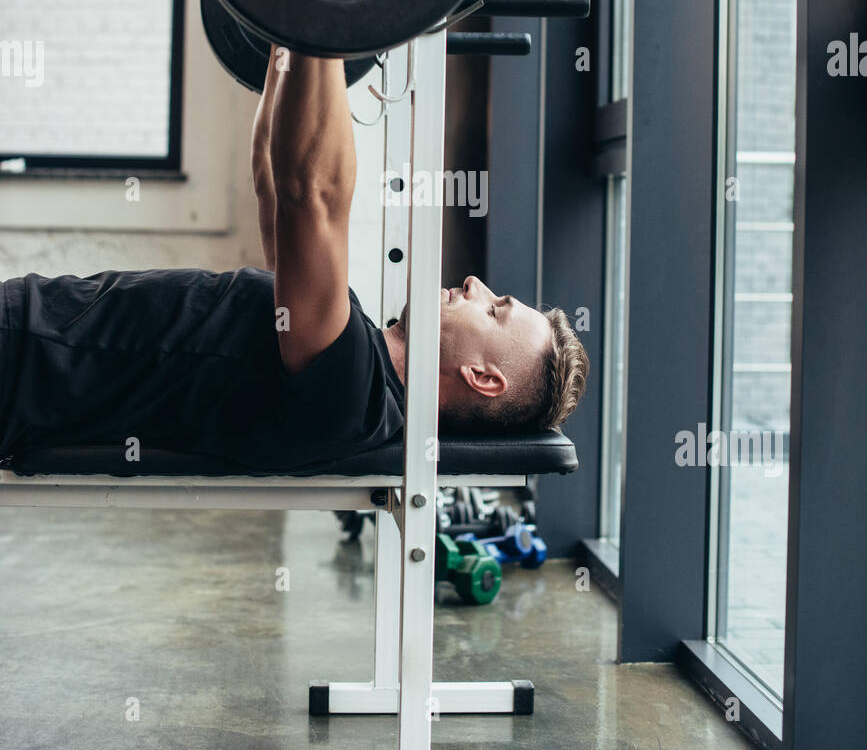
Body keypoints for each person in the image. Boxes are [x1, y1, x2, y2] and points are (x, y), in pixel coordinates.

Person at [0, 52, 588, 473]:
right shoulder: (346, 340)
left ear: (484, 379)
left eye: (495, 308)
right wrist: (284, 43)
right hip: (26, 334)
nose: (476, 283)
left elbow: (314, 193)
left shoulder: (352, 397)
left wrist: (323, 14)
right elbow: (274, 183)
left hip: (22, 365)